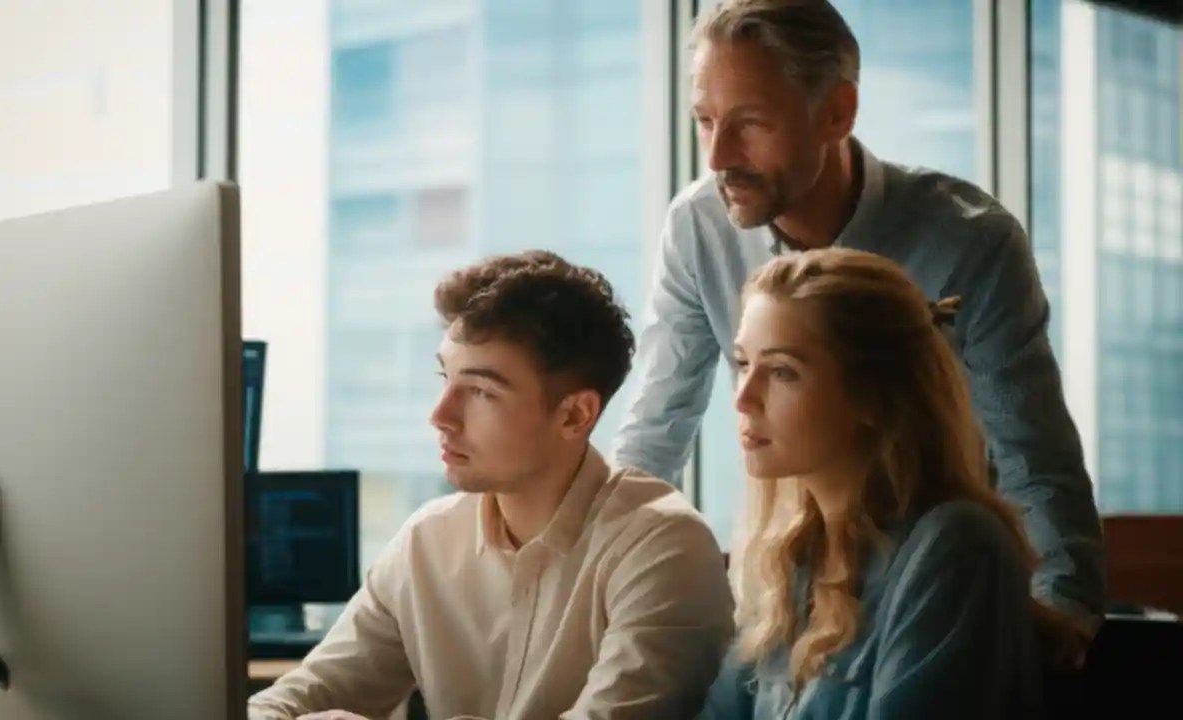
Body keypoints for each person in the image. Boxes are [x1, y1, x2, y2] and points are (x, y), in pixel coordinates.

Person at [611, 0, 1104, 625]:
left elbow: (1031, 450)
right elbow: (655, 427)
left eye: (750, 123)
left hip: (939, 582)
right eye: (706, 121)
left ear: (837, 112)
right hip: (779, 580)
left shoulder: (971, 239)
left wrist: (1068, 613)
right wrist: (597, 582)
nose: (717, 158)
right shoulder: (698, 225)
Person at [248, 250, 734, 720]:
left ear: (574, 414)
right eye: (446, 378)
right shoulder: (428, 542)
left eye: (480, 391)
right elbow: (293, 698)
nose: (440, 416)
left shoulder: (664, 549)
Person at [702, 248, 1086, 719]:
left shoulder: (957, 547)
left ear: (872, 396)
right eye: (743, 364)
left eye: (782, 371)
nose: (744, 398)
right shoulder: (796, 556)